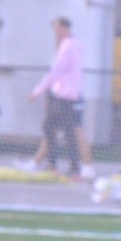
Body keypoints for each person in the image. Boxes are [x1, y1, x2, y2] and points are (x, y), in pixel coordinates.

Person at [29, 16, 91, 178]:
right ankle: (69, 166)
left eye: (57, 29)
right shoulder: (73, 45)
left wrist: (38, 90)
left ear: (64, 29)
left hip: (63, 97)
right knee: (62, 130)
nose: (55, 33)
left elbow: (55, 71)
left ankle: (56, 165)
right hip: (71, 95)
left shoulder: (67, 47)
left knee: (53, 129)